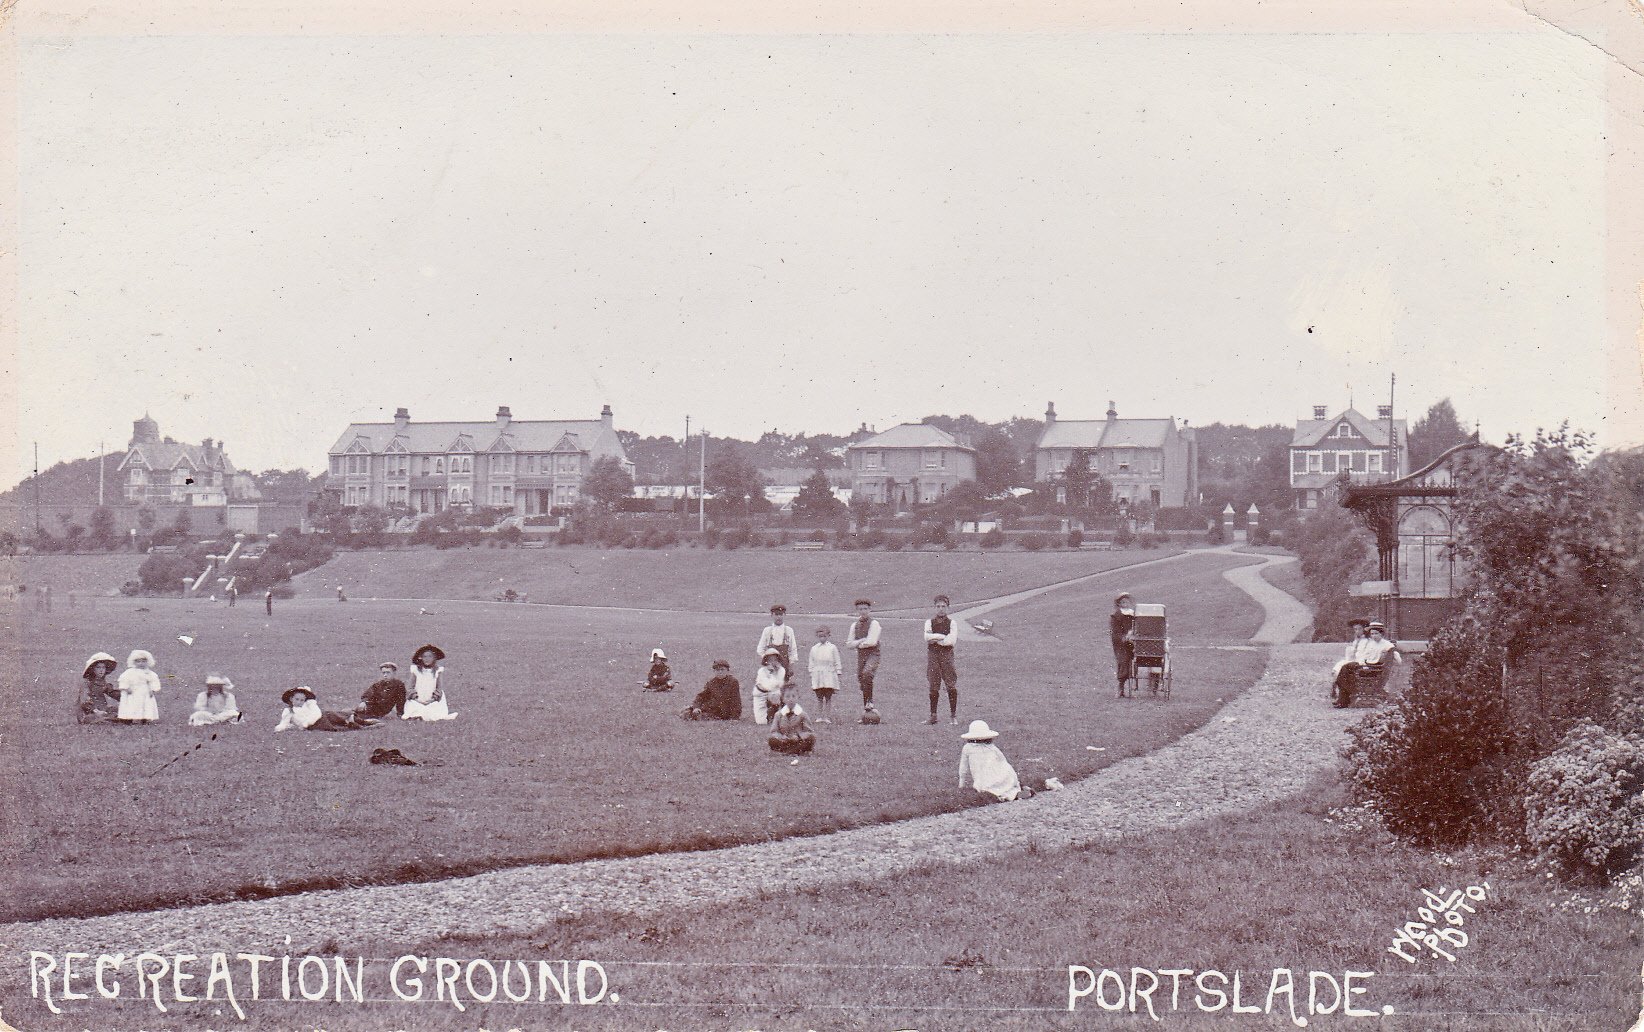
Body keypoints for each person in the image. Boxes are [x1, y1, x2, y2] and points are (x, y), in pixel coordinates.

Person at [958, 719, 1027, 802]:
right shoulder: (991, 747)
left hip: (983, 780)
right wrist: (1014, 779)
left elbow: (963, 768)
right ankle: (1016, 792)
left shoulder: (967, 748)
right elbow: (1003, 761)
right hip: (1001, 777)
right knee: (1006, 784)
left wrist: (961, 784)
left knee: (985, 787)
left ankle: (1007, 795)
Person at [924, 594, 960, 725]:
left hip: (947, 656)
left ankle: (953, 716)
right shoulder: (929, 622)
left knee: (950, 684)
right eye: (938, 606)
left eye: (943, 606)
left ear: (948, 608)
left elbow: (951, 641)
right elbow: (927, 637)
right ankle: (933, 716)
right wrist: (942, 637)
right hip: (933, 655)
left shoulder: (952, 623)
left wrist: (936, 638)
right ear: (934, 608)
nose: (940, 609)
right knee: (933, 684)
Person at [845, 598, 882, 720]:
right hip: (861, 656)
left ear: (870, 609)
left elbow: (871, 642)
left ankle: (870, 702)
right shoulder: (854, 625)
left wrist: (858, 643)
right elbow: (849, 644)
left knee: (867, 673)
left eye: (865, 609)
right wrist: (861, 641)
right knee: (861, 680)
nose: (863, 611)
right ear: (857, 610)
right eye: (860, 609)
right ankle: (866, 710)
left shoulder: (874, 623)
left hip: (873, 654)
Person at [275, 686, 374, 732]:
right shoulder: (289, 711)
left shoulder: (308, 705)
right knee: (336, 727)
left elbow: (316, 713)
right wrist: (282, 728)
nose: (299, 702)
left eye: (302, 700)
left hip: (321, 717)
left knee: (335, 715)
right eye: (297, 699)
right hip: (316, 724)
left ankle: (361, 721)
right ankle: (358, 725)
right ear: (291, 699)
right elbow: (284, 723)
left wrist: (306, 723)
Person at [404, 644, 457, 721]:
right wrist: (416, 698)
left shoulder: (438, 671)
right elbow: (410, 687)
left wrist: (432, 699)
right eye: (425, 657)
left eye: (430, 656)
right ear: (421, 658)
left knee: (433, 712)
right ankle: (417, 715)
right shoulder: (415, 670)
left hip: (432, 699)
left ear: (434, 658)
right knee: (415, 708)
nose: (427, 659)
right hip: (418, 698)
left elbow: (439, 688)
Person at [756, 604, 801, 686]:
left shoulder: (789, 631)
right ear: (771, 615)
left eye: (781, 614)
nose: (778, 617)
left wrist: (791, 665)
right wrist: (767, 660)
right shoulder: (767, 631)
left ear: (784, 615)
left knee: (783, 687)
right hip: (770, 666)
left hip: (784, 665)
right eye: (776, 614)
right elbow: (760, 649)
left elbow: (793, 649)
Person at [1330, 618, 1372, 705]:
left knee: (1343, 672)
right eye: (1355, 629)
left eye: (1359, 629)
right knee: (1339, 670)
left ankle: (1344, 698)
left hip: (1362, 664)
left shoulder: (1368, 641)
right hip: (1356, 662)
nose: (1357, 631)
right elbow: (1352, 655)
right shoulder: (1357, 641)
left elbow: (1365, 656)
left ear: (1364, 629)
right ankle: (1343, 698)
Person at [767, 683, 816, 755]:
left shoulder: (802, 714)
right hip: (784, 742)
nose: (791, 699)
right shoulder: (778, 715)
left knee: (810, 739)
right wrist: (781, 737)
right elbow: (773, 732)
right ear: (783, 699)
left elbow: (809, 732)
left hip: (797, 741)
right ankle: (795, 751)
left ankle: (787, 752)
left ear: (797, 697)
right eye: (787, 696)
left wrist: (798, 736)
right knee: (771, 740)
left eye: (793, 696)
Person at [117, 649, 162, 724]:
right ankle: (135, 719)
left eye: (144, 661)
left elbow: (154, 681)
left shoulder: (149, 673)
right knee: (134, 705)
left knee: (146, 704)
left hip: (145, 691)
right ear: (134, 662)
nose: (141, 664)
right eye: (138, 661)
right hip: (134, 692)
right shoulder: (130, 672)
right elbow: (123, 680)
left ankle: (146, 718)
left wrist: (152, 689)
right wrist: (126, 688)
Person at [808, 625, 842, 724]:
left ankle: (827, 716)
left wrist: (838, 670)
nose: (822, 638)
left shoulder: (832, 648)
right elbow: (811, 661)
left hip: (829, 674)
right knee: (819, 697)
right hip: (818, 674)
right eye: (820, 636)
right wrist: (811, 671)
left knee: (828, 697)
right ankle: (819, 716)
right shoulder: (814, 648)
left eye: (824, 636)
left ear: (828, 636)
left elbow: (837, 660)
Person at [77, 652, 122, 724]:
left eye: (103, 667)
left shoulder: (102, 682)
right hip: (90, 711)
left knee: (118, 710)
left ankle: (112, 718)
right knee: (94, 718)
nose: (101, 670)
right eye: (98, 667)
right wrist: (96, 711)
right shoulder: (87, 683)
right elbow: (84, 700)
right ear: (93, 669)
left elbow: (112, 692)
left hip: (102, 708)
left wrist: (126, 696)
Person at [1110, 593, 1137, 698]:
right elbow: (1115, 631)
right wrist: (1124, 637)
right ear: (1119, 604)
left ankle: (1125, 689)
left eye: (1126, 601)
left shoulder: (1133, 614)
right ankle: (1120, 687)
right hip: (1121, 644)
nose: (1125, 603)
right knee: (1123, 662)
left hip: (1132, 642)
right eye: (1122, 602)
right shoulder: (1116, 616)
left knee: (1130, 663)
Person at [752, 648, 787, 725]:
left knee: (776, 694)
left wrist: (774, 672)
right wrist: (772, 673)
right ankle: (767, 713)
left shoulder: (781, 670)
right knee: (761, 722)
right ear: (765, 661)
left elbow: (779, 685)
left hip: (773, 694)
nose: (772, 662)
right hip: (760, 694)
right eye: (770, 660)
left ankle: (774, 712)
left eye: (775, 659)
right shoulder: (761, 671)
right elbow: (768, 686)